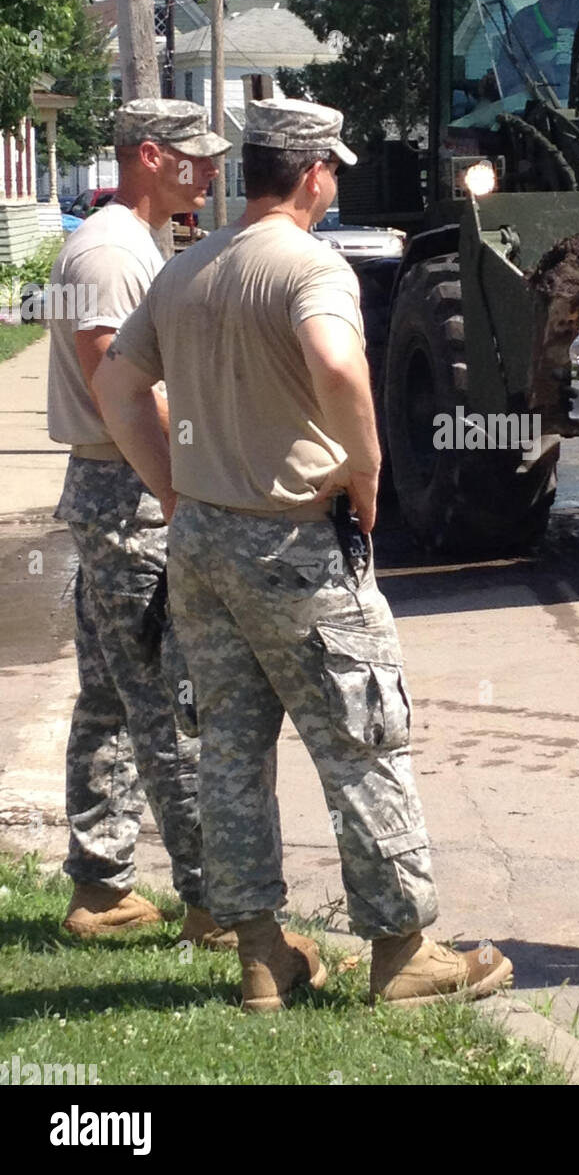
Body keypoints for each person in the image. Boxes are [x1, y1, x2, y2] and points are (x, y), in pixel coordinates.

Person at [93, 97, 513, 1012]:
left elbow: (116, 384)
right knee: (363, 740)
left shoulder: (187, 269)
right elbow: (335, 363)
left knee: (231, 753)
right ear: (316, 171)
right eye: (335, 170)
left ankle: (259, 954)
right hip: (295, 546)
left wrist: (174, 489)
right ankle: (402, 955)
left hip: (202, 543)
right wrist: (367, 470)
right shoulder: (309, 267)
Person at [47, 98, 232, 945]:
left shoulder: (130, 244)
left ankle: (101, 885)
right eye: (196, 156)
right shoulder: (108, 252)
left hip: (120, 489)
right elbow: (113, 388)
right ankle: (213, 906)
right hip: (128, 493)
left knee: (110, 699)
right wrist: (178, 495)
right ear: (150, 155)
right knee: (167, 699)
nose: (212, 168)